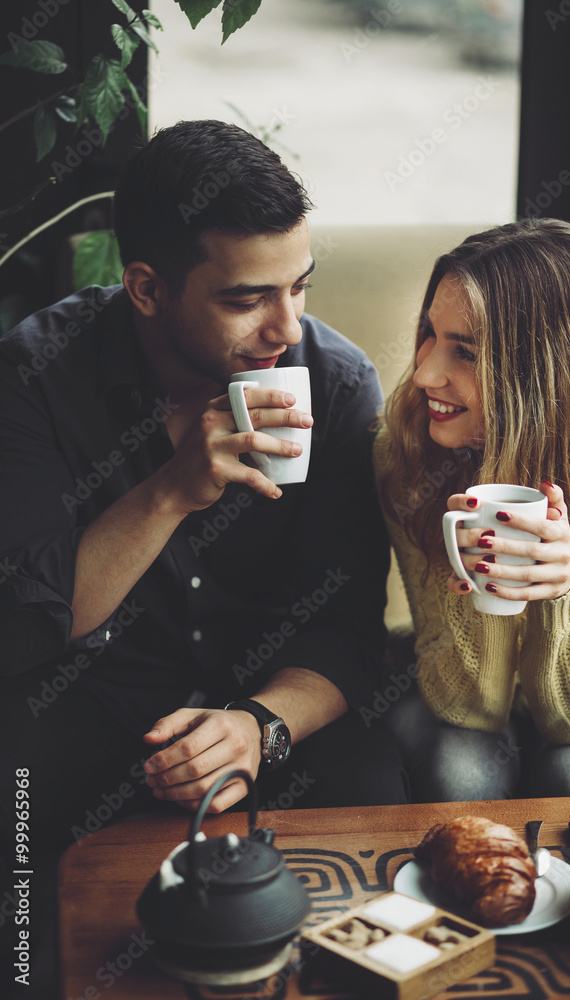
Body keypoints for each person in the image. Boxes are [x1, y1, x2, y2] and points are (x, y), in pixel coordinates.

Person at [0, 120, 406, 992]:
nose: (284, 328)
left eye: (300, 287)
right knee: (16, 809)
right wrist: (171, 490)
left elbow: (345, 632)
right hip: (93, 699)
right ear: (145, 288)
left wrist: (257, 728)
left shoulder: (331, 383)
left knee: (382, 780)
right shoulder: (37, 374)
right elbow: (26, 624)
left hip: (267, 713)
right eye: (245, 298)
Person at [374, 217, 570, 804]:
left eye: (466, 352)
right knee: (463, 771)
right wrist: (480, 578)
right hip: (456, 686)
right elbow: (467, 706)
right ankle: (464, 894)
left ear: (550, 371)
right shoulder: (407, 446)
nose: (426, 373)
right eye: (430, 334)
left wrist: (566, 591)